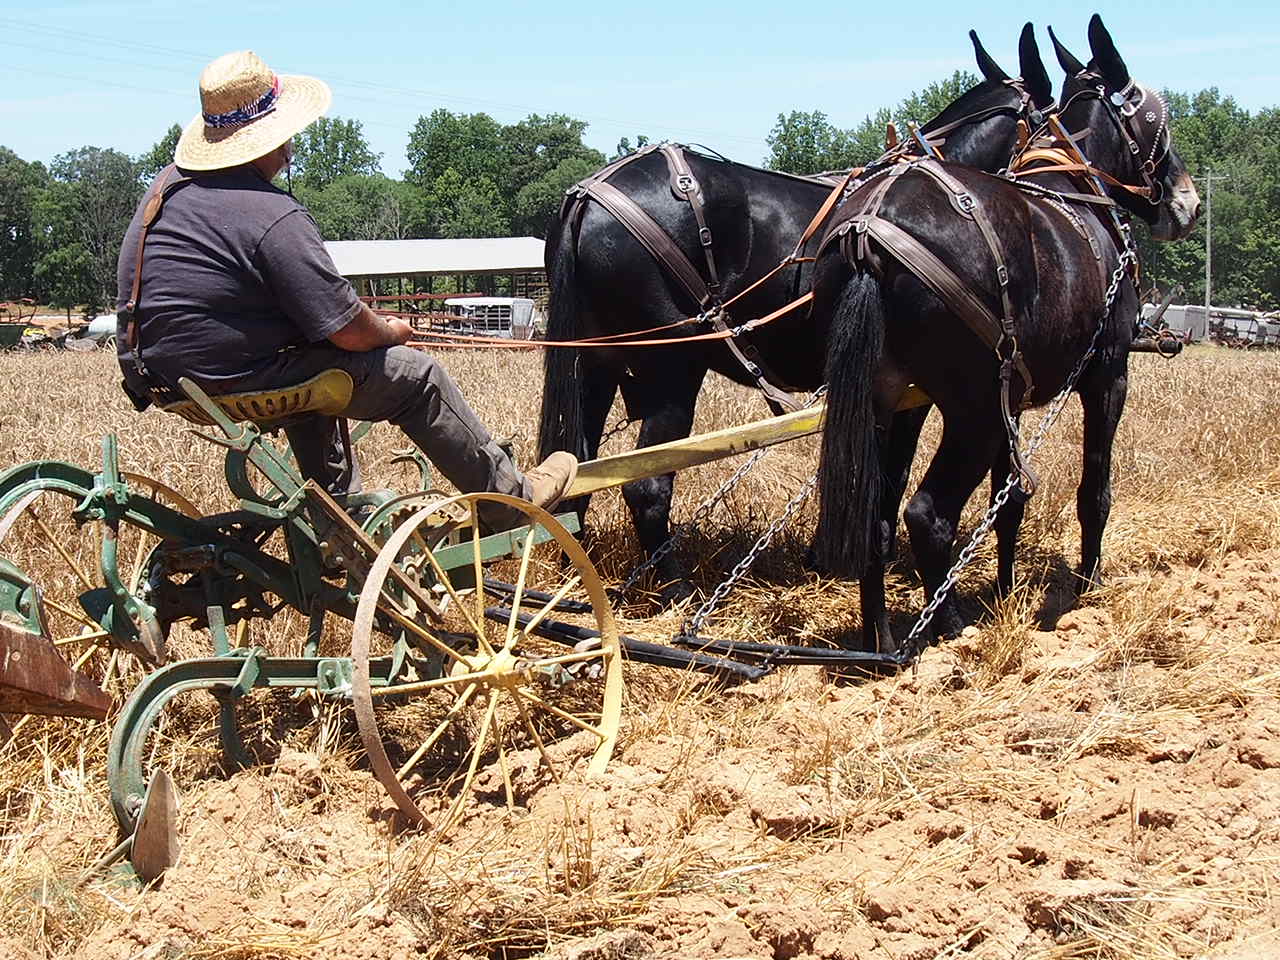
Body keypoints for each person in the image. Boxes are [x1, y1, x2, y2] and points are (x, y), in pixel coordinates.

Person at [115, 50, 576, 529]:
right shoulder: (271, 215)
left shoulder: (164, 191)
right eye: (285, 136)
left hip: (163, 378)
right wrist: (391, 330)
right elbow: (349, 331)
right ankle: (512, 502)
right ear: (269, 139)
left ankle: (337, 518)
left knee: (311, 372)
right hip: (239, 377)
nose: (290, 147)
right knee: (418, 377)